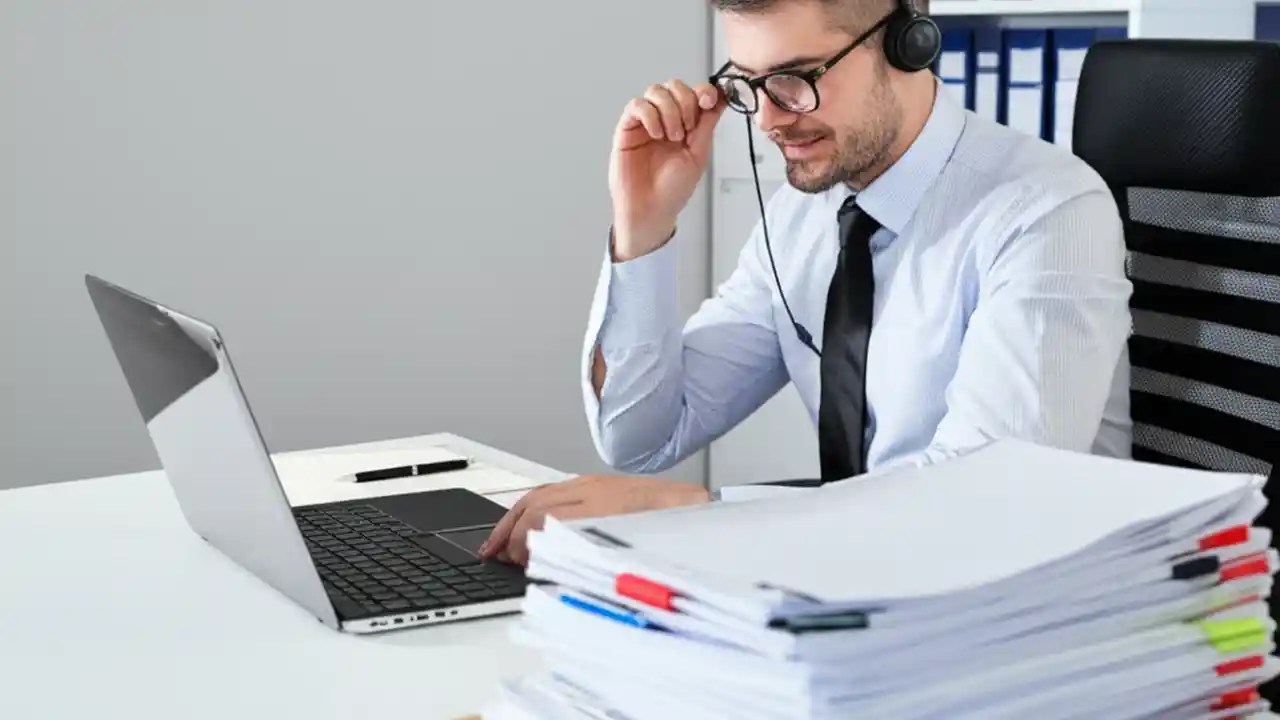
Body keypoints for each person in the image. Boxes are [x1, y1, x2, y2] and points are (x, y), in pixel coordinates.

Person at [481, 0, 1133, 565]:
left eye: (794, 79)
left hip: (1027, 616)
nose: (767, 120)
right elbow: (641, 435)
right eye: (749, 84)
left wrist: (693, 510)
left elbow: (990, 506)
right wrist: (643, 225)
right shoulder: (804, 218)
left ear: (908, 45)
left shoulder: (1045, 211)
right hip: (861, 589)